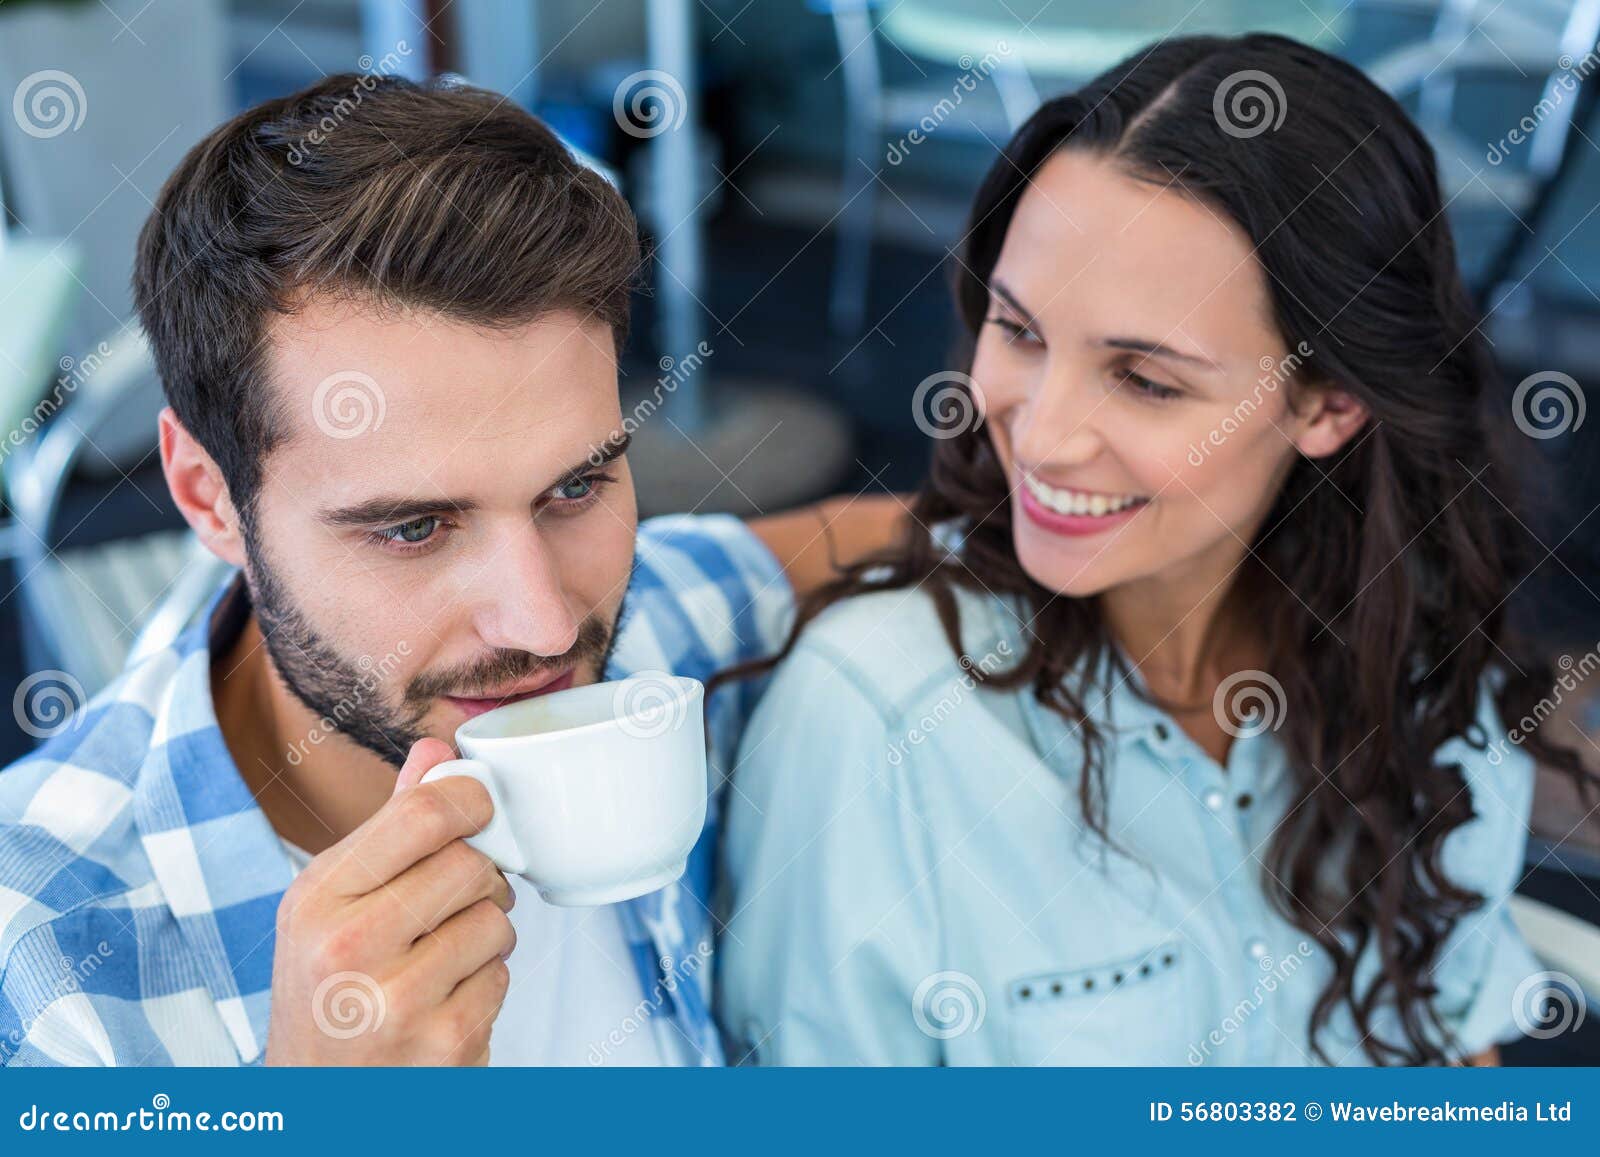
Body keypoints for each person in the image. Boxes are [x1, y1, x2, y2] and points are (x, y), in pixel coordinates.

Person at [716, 34, 1594, 1066]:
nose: (1038, 436)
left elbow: (1449, 1052)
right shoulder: (872, 725)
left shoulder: (1423, 664)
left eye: (1144, 378)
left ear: (1329, 402)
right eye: (1019, 329)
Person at [0, 74, 896, 1067]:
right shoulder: (40, 970)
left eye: (576, 487)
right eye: (415, 528)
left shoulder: (652, 642)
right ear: (209, 496)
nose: (546, 626)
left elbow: (887, 534)